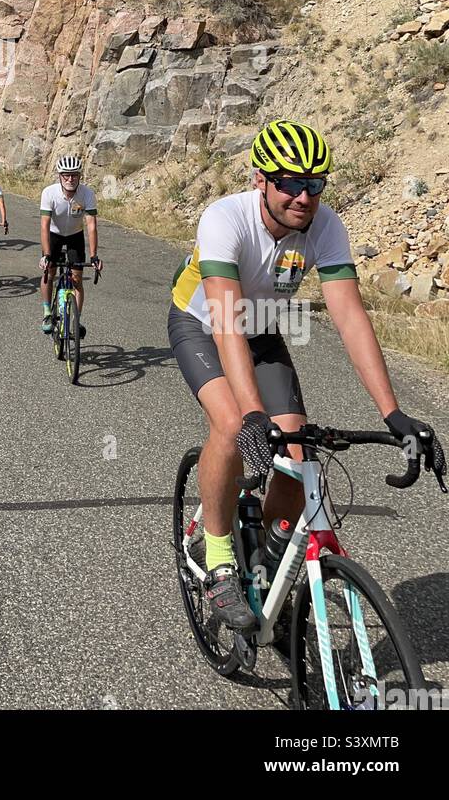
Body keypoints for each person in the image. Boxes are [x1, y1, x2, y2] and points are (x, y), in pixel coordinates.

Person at [168, 118, 446, 632]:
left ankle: (270, 566)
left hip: (262, 330)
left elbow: (350, 318)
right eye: (290, 182)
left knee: (298, 455)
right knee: (232, 426)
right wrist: (253, 414)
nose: (303, 196)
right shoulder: (224, 219)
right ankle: (220, 558)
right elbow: (227, 323)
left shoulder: (325, 226)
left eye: (314, 184)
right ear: (261, 180)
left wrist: (395, 413)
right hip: (205, 325)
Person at [39, 154, 102, 337]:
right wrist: (46, 255)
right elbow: (44, 225)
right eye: (66, 175)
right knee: (49, 272)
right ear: (60, 176)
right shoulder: (49, 193)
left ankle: (76, 320)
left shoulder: (87, 194)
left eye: (74, 175)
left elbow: (91, 225)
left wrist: (94, 255)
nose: (70, 179)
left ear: (79, 176)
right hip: (54, 235)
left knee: (77, 280)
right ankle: (47, 313)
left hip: (75, 235)